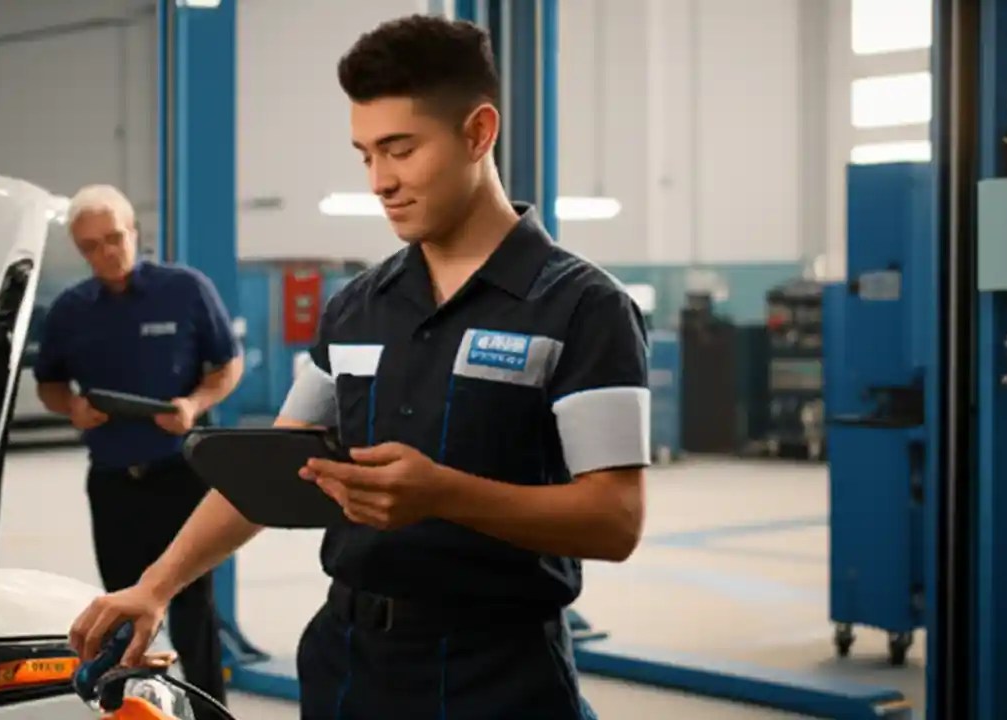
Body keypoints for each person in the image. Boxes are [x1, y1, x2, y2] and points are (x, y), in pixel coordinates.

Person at [69, 16, 648, 719]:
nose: (380, 181)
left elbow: (614, 519)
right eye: (365, 154)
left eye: (400, 150)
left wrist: (442, 494)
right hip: (348, 663)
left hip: (494, 673)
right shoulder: (356, 308)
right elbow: (270, 470)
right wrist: (156, 585)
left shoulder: (584, 309)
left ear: (478, 132)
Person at [34, 183, 242, 716]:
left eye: (114, 238)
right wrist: (73, 408)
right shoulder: (70, 310)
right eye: (90, 246)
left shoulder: (187, 290)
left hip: (181, 476)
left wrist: (195, 404)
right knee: (122, 609)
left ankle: (209, 711)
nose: (105, 252)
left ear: (135, 232)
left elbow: (227, 365)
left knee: (194, 608)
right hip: (112, 482)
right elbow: (50, 385)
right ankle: (132, 707)